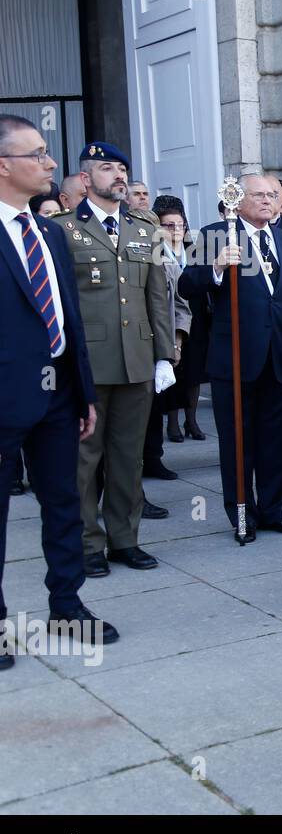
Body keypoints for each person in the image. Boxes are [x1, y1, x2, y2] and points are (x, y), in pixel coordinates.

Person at [0, 114, 116, 670]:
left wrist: (83, 392)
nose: (51, 164)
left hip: (58, 398)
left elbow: (68, 315)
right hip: (3, 399)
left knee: (64, 502)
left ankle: (67, 605)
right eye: (38, 154)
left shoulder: (48, 230)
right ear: (4, 165)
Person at [50, 142, 174, 578]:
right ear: (86, 179)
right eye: (107, 168)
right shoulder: (61, 229)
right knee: (85, 458)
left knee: (128, 456)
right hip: (89, 363)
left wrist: (165, 355)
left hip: (137, 360)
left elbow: (157, 295)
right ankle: (87, 543)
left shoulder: (147, 227)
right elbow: (59, 302)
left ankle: (125, 539)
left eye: (122, 168)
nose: (118, 176)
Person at [180, 172, 282, 542]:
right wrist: (217, 267)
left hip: (280, 357)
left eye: (274, 195)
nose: (269, 201)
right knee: (238, 441)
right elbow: (188, 284)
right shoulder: (216, 234)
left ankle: (274, 510)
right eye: (259, 194)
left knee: (274, 440)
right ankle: (242, 515)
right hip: (234, 358)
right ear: (238, 199)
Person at [140, 196, 193, 499]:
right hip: (137, 343)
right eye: (166, 225)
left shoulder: (174, 258)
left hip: (166, 342)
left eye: (178, 225)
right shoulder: (150, 255)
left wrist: (176, 341)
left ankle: (153, 458)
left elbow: (180, 304)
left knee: (157, 407)